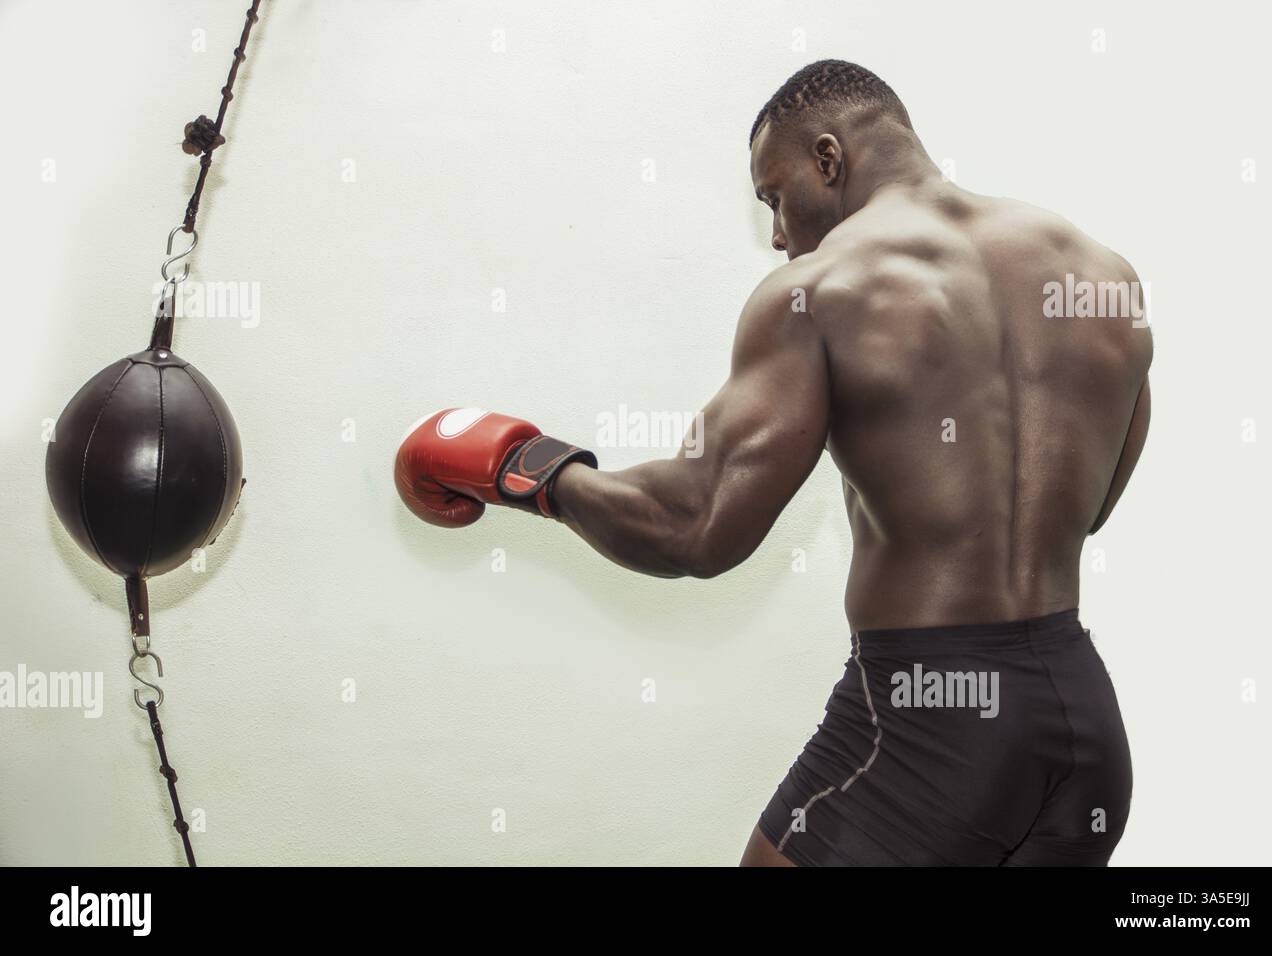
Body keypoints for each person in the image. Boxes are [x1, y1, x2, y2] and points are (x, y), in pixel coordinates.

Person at [394, 59, 1152, 866]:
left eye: (773, 197)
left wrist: (530, 468)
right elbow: (1092, 504)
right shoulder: (1103, 274)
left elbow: (696, 525)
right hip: (1083, 730)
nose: (780, 235)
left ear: (830, 158)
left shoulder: (820, 291)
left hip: (934, 727)